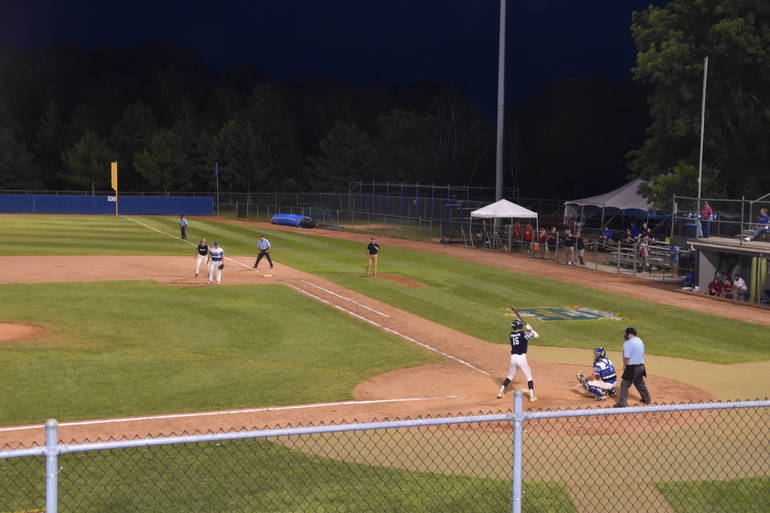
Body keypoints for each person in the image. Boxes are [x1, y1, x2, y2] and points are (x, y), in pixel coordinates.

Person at [497, 319, 538, 402]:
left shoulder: (511, 334)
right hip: (521, 358)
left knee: (510, 376)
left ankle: (500, 392)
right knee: (529, 377)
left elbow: (519, 335)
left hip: (513, 358)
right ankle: (532, 397)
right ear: (520, 326)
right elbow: (537, 336)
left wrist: (527, 330)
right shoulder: (524, 334)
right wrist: (530, 329)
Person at [613, 327, 651, 407]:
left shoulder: (627, 343)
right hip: (641, 367)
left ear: (630, 334)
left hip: (632, 368)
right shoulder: (639, 340)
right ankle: (647, 399)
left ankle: (623, 403)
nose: (625, 335)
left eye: (626, 334)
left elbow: (626, 357)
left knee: (624, 384)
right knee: (639, 382)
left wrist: (625, 366)